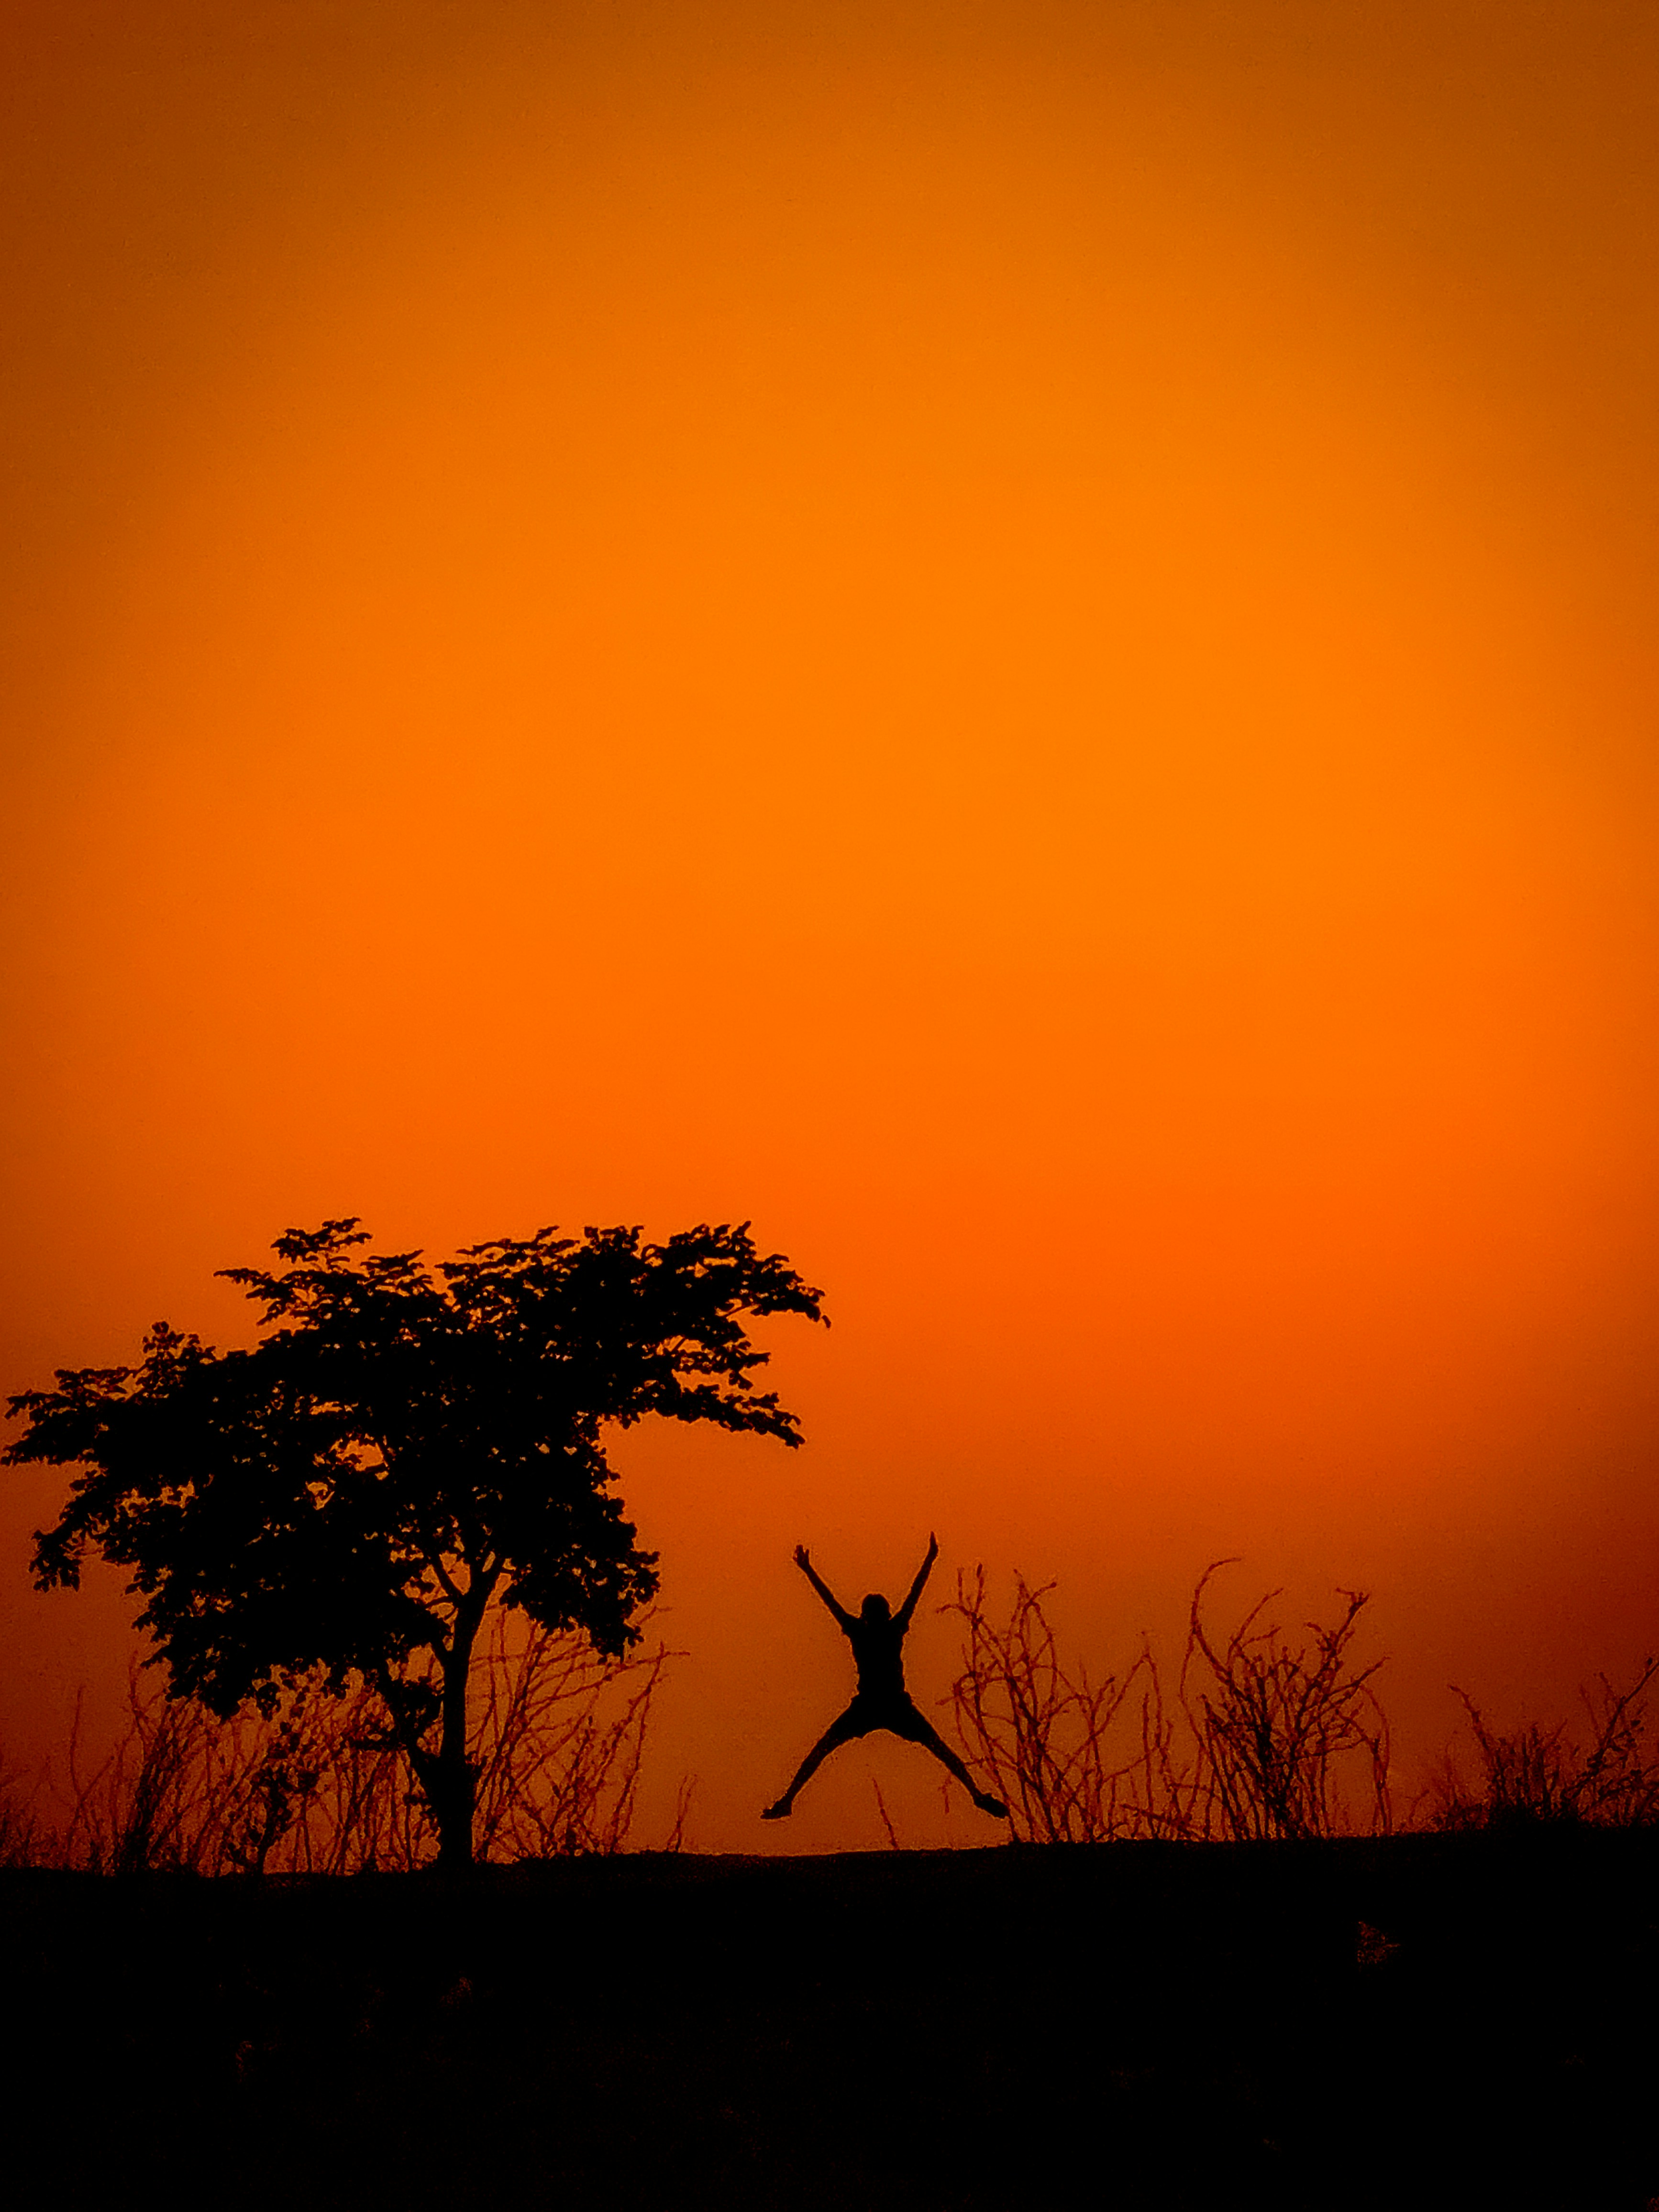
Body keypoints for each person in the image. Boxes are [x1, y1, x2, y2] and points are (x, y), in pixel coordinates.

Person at [762, 1534, 1008, 1820]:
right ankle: (976, 1794)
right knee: (940, 1749)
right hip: (890, 1705)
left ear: (865, 1615)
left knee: (822, 1750)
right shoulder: (892, 1628)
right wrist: (930, 1560)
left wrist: (808, 1571)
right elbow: (914, 1594)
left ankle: (788, 1800)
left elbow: (832, 1602)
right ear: (886, 1614)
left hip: (875, 1705)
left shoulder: (860, 1630)